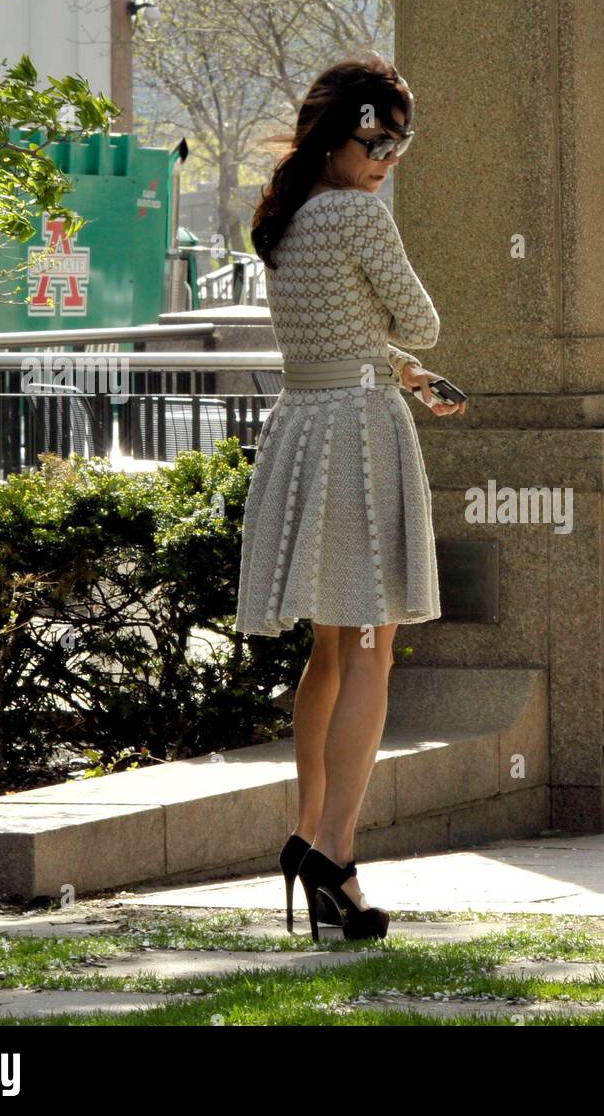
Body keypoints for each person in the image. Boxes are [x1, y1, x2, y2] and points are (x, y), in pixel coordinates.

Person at [235, 55, 466, 942]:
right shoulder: (358, 216)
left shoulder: (283, 215)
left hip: (303, 426)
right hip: (359, 440)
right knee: (373, 643)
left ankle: (310, 836)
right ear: (335, 133)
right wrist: (405, 356)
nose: (385, 159)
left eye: (396, 145)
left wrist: (404, 372)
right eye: (375, 140)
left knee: (333, 649)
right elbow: (422, 317)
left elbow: (349, 336)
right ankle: (336, 852)